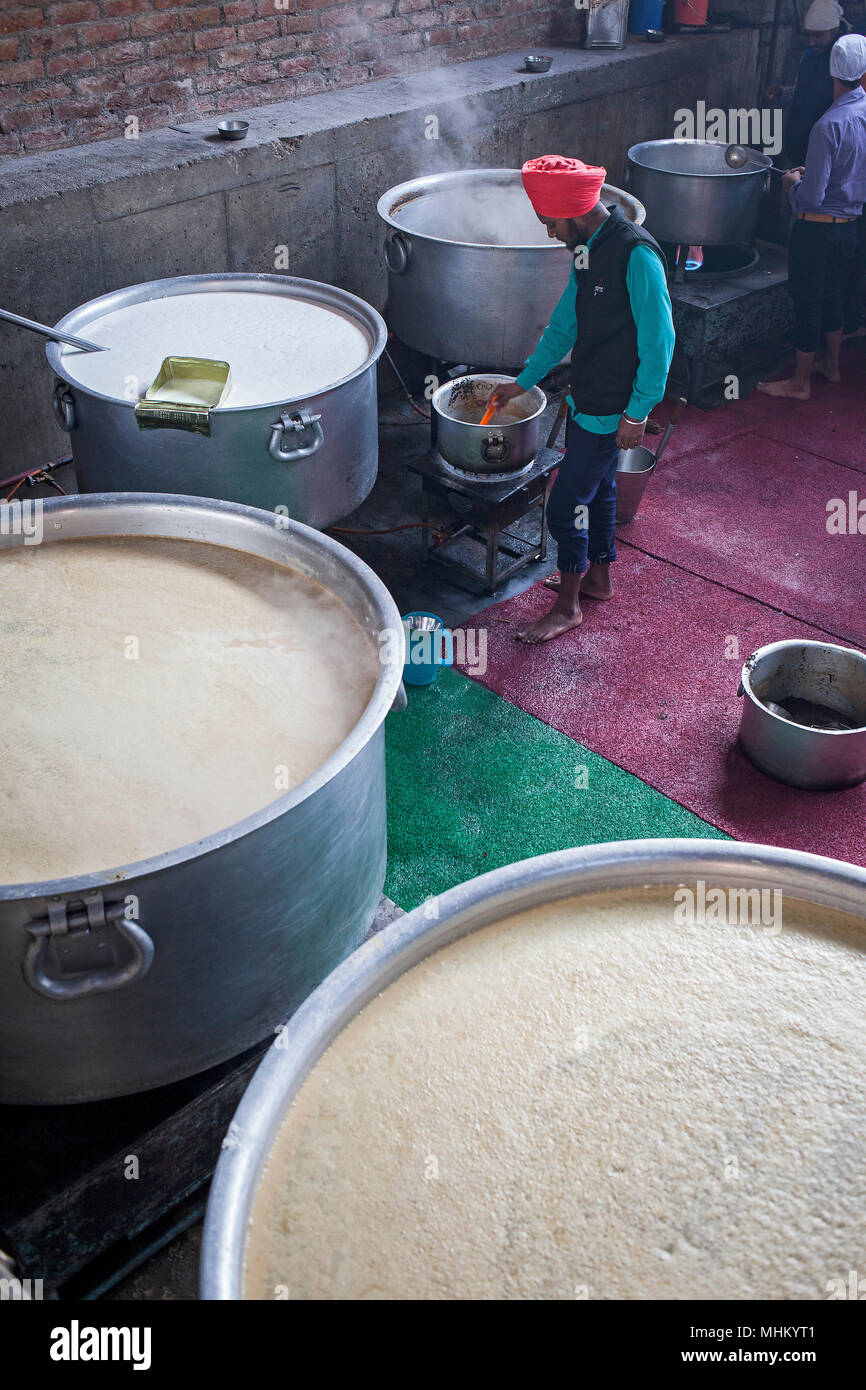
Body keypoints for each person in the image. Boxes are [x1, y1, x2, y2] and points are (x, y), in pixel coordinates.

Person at [487, 155, 675, 644]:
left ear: (573, 213)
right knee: (601, 489)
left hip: (614, 405)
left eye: (550, 223)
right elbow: (564, 325)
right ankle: (597, 579)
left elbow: (660, 343)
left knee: (566, 500)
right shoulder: (587, 248)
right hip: (587, 396)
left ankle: (567, 607)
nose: (549, 233)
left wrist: (638, 412)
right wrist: (523, 382)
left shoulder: (636, 255)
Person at [758, 33, 866, 401]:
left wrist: (791, 184)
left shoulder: (829, 125)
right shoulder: (863, 113)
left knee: (807, 300)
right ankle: (832, 366)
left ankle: (800, 382)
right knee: (833, 294)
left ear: (831, 73)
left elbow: (812, 198)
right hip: (849, 229)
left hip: (816, 231)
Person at [769, 0, 848, 166]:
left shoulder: (843, 60)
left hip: (823, 152)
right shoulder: (810, 55)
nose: (811, 42)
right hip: (798, 146)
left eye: (818, 35)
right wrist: (782, 92)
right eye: (808, 35)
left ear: (834, 31)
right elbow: (802, 91)